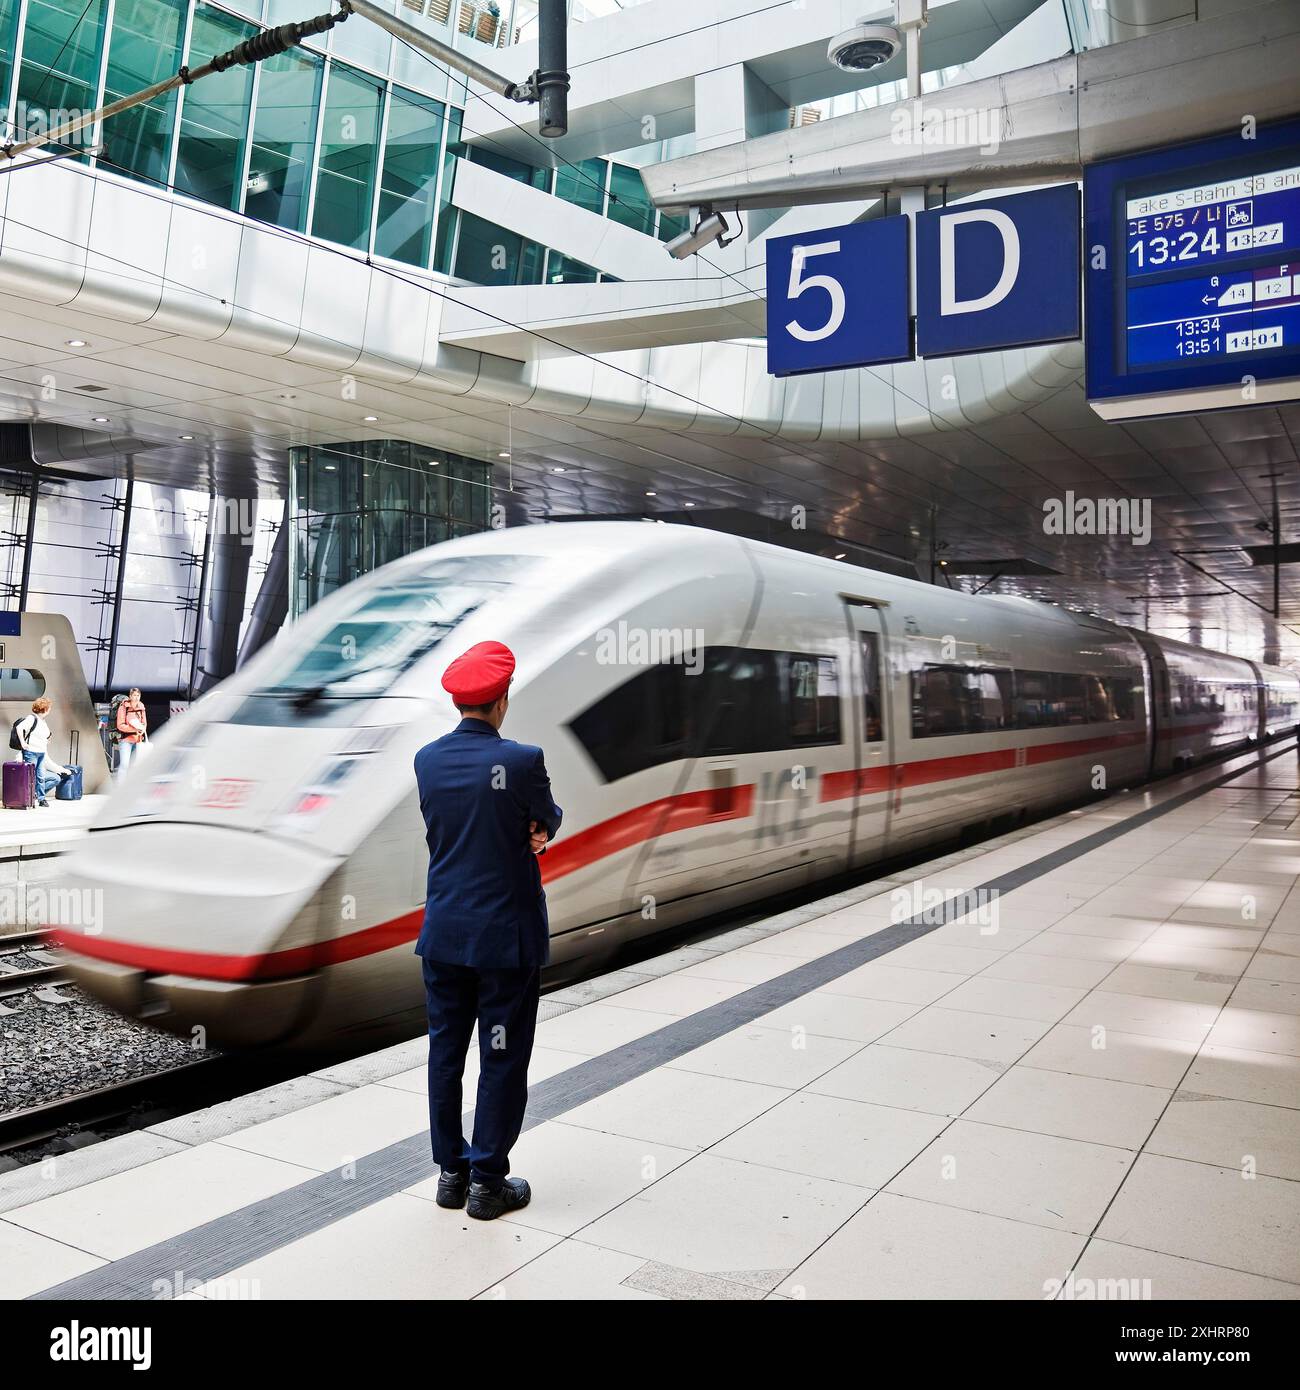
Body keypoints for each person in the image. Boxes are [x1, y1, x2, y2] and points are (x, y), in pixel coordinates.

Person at [413, 640, 562, 1222]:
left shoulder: (426, 759)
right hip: (505, 937)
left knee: (445, 1051)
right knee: (502, 1056)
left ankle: (451, 1173)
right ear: (502, 700)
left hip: (444, 933)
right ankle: (487, 1182)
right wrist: (538, 829)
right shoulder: (524, 760)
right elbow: (545, 816)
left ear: (459, 703)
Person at [16, 697, 72, 808]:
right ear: (44, 709)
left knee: (40, 777)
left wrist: (46, 740)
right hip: (31, 752)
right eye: (49, 708)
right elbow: (19, 727)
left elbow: (44, 736)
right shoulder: (32, 718)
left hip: (41, 752)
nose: (50, 710)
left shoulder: (43, 721)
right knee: (30, 777)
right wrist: (23, 743)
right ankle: (27, 798)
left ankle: (41, 799)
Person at [115, 688, 148, 775]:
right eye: (134, 695)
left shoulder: (141, 707)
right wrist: (135, 729)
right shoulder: (123, 707)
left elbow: (144, 723)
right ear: (130, 696)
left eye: (138, 695)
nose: (136, 697)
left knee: (136, 766)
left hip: (138, 740)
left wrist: (142, 729)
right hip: (126, 740)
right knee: (124, 765)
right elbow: (120, 725)